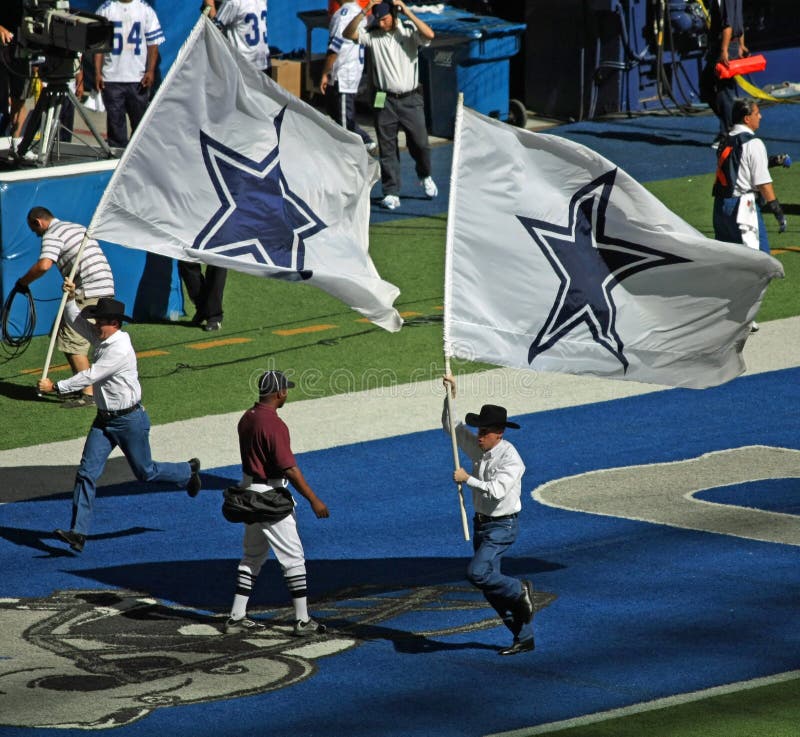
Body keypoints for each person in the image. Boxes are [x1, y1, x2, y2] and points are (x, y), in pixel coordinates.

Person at [36, 282, 202, 554]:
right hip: (104, 420)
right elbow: (79, 323)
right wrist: (69, 297)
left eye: (99, 321)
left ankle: (188, 471)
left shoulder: (118, 349)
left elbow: (90, 375)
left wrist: (56, 387)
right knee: (86, 472)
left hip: (129, 421)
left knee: (145, 473)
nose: (94, 324)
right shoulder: (103, 337)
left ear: (112, 323)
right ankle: (78, 533)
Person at [219, 369, 330, 635]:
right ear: (279, 393)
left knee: (252, 556)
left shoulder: (247, 417)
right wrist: (314, 499)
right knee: (294, 559)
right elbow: (289, 468)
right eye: (285, 390)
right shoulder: (274, 425)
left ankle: (236, 616)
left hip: (249, 493)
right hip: (270, 498)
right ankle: (303, 621)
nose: (287, 394)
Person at [442, 375, 534, 656]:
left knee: (477, 573)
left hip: (502, 526)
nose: (479, 435)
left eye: (484, 432)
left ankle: (520, 590)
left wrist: (467, 479)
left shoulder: (511, 459)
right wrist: (449, 397)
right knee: (489, 589)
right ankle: (524, 636)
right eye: (479, 430)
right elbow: (452, 428)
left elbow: (497, 490)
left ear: (499, 433)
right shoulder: (481, 449)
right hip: (482, 525)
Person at [16, 207, 115, 408]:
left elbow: (44, 265)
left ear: (38, 222)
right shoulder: (74, 227)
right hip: (104, 285)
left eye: (34, 229)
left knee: (72, 340)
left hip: (88, 288)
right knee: (66, 333)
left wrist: (23, 282)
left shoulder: (52, 233)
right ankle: (87, 387)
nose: (36, 234)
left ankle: (88, 393)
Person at [344, 0, 437, 211]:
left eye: (385, 19)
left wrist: (407, 10)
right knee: (387, 148)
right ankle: (391, 192)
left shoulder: (409, 33)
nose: (382, 23)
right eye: (379, 19)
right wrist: (366, 10)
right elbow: (348, 34)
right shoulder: (373, 37)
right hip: (383, 100)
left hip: (411, 99)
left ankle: (425, 175)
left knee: (420, 143)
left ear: (394, 15)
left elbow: (430, 35)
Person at [713, 98, 787, 254]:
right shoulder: (754, 143)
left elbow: (740, 165)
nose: (760, 117)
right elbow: (763, 183)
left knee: (730, 261)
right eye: (757, 113)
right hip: (742, 207)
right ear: (747, 118)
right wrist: (778, 212)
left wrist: (773, 160)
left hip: (720, 207)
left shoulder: (724, 140)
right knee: (760, 262)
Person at [94, 0, 165, 148]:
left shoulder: (145, 10)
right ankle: (116, 160)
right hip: (112, 77)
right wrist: (97, 73)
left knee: (140, 125)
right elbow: (98, 46)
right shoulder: (106, 10)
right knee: (115, 125)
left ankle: (137, 159)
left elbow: (153, 43)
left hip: (137, 78)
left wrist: (150, 71)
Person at [319, 1, 377, 153]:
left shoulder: (343, 15)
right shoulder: (359, 11)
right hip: (351, 72)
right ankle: (365, 140)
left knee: (345, 122)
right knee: (336, 112)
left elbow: (334, 48)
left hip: (344, 74)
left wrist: (325, 73)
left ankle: (352, 154)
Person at [701, 0, 747, 148]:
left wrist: (724, 50)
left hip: (724, 47)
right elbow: (737, 20)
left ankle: (727, 133)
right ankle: (730, 123)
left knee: (724, 92)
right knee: (707, 85)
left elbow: (728, 24)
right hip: (725, 45)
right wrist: (741, 44)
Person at [203, 0, 270, 75]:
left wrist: (207, 7)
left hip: (242, 66)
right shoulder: (262, 1)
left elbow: (212, 27)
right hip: (262, 61)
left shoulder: (233, 3)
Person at [0, 1, 29, 139]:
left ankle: (16, 144)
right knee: (2, 106)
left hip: (21, 47)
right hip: (3, 47)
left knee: (20, 99)